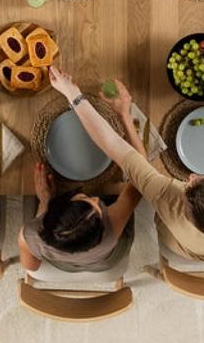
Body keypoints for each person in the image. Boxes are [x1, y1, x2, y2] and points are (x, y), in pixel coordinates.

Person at [48, 69, 204, 269]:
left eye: (191, 182)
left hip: (178, 241)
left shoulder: (169, 199)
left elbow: (113, 145)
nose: (192, 176)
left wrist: (73, 94)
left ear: (184, 203)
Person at [18, 79, 141, 273]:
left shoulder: (31, 234)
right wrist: (124, 115)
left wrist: (44, 202)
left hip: (66, 263)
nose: (95, 198)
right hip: (105, 261)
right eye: (98, 205)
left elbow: (31, 266)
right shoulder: (110, 233)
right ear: (102, 229)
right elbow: (140, 179)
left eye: (86, 198)